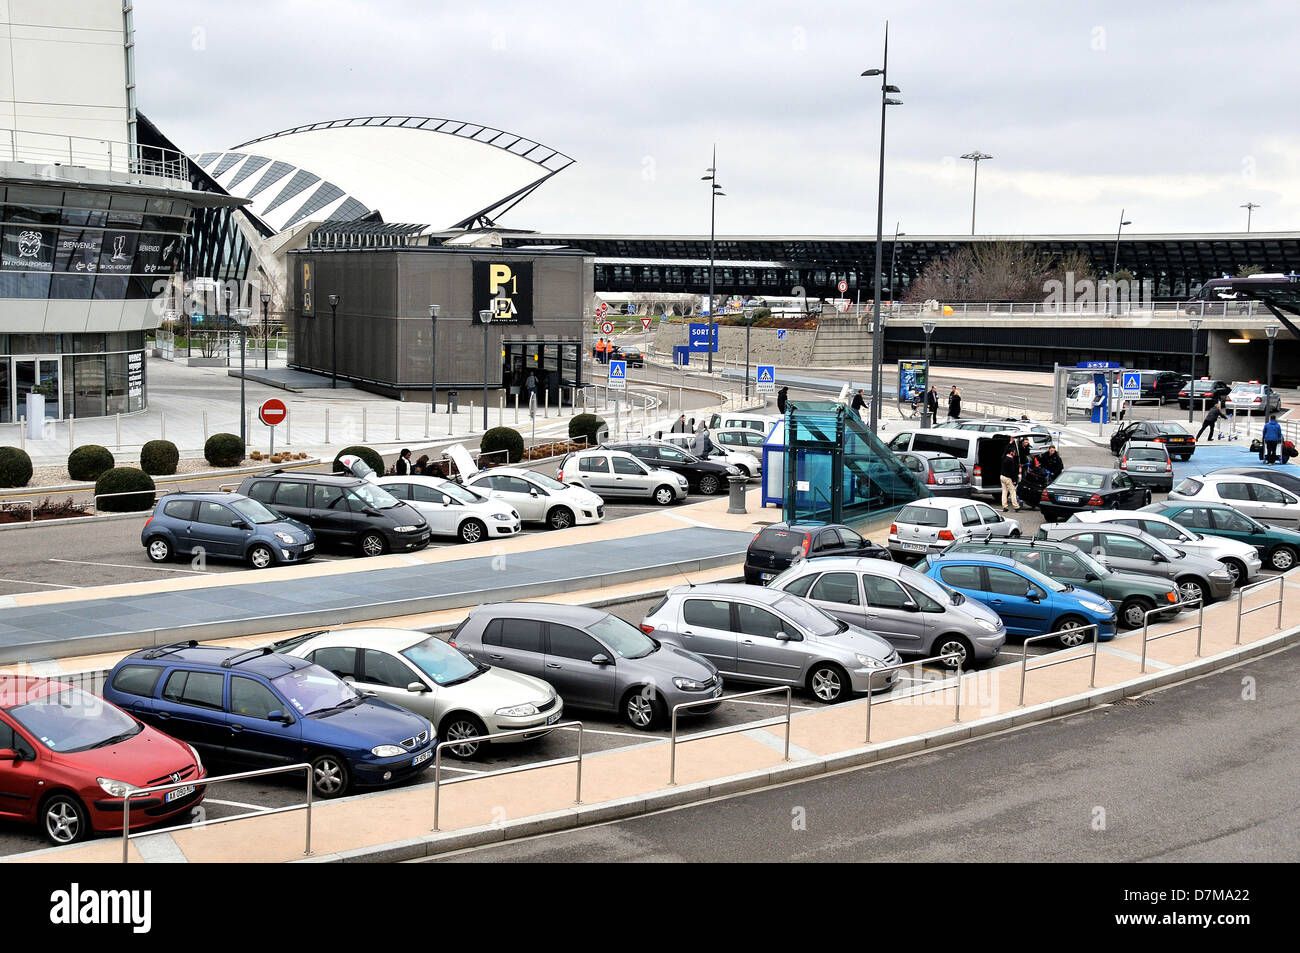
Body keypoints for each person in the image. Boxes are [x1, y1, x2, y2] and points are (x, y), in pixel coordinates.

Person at [1000, 447, 1024, 512]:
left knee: (1004, 492)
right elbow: (1012, 471)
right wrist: (1014, 480)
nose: (1014, 453)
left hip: (1002, 476)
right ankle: (1016, 506)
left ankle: (1004, 506)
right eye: (1014, 452)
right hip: (1008, 478)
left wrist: (1010, 444)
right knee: (1012, 492)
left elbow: (1004, 452)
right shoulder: (1010, 460)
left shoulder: (1004, 457)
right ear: (1011, 452)